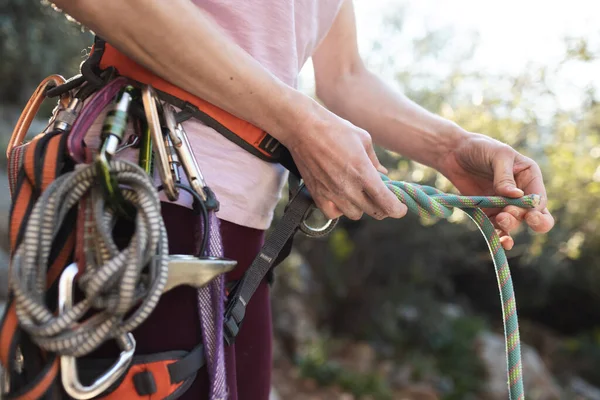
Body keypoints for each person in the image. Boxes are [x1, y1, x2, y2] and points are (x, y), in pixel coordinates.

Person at [50, 0, 555, 399]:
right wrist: (298, 122)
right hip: (145, 201)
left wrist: (449, 148)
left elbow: (345, 76)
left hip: (244, 240)